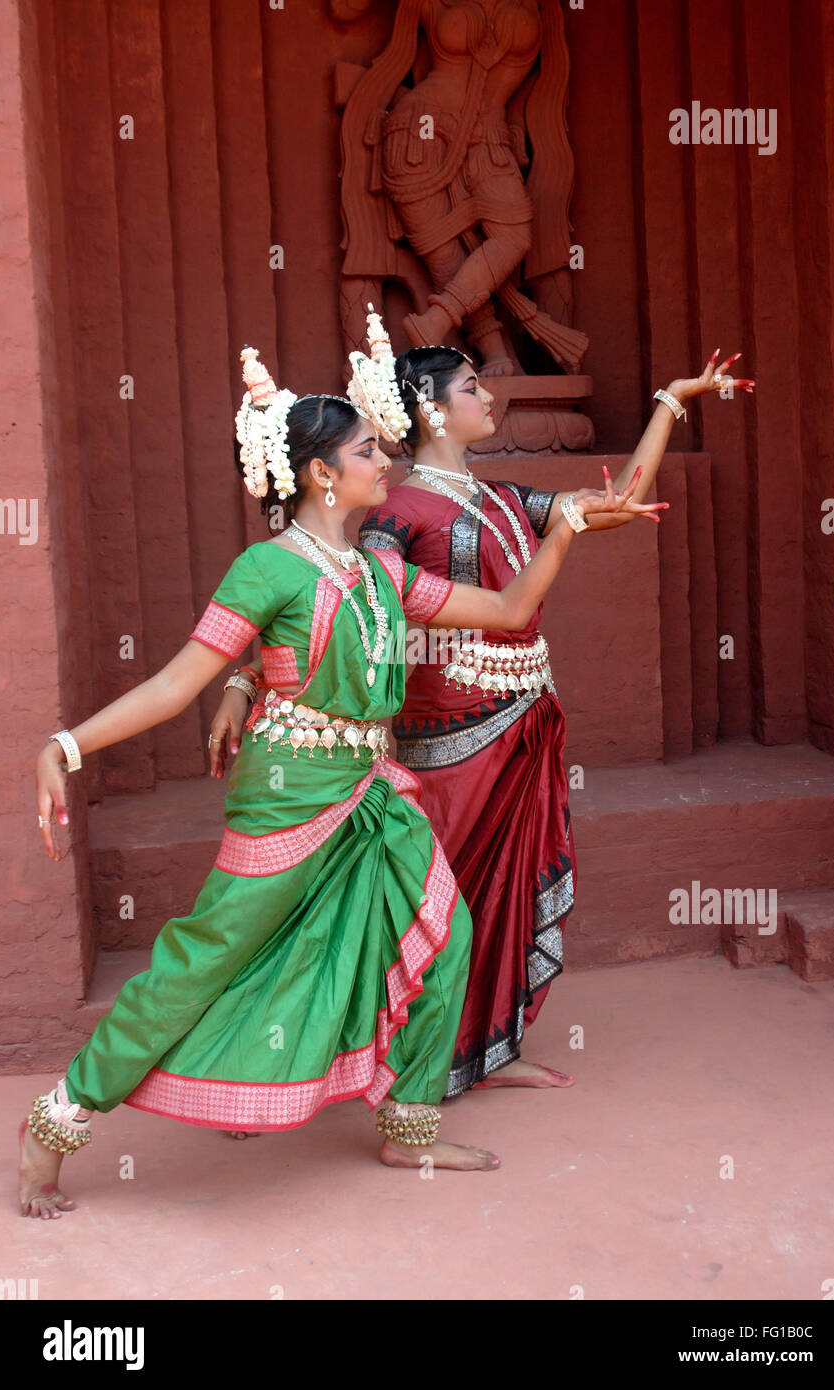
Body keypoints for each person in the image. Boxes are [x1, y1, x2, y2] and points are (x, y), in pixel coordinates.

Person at [20, 331, 665, 1218]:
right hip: (288, 795)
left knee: (448, 935)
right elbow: (177, 682)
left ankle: (410, 1127)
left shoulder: (378, 574)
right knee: (205, 961)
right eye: (367, 450)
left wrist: (570, 530)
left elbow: (512, 608)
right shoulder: (268, 571)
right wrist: (66, 746)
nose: (385, 458)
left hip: (370, 792)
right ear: (324, 475)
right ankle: (56, 1122)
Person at [214, 328, 753, 1100]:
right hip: (450, 729)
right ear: (432, 409)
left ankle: (488, 1048)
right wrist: (247, 679)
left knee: (502, 892)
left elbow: (617, 500)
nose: (489, 395)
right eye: (472, 387)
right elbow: (340, 605)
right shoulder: (393, 511)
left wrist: (672, 400)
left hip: (525, 710)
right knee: (444, 901)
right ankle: (340, 1065)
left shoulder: (498, 498)